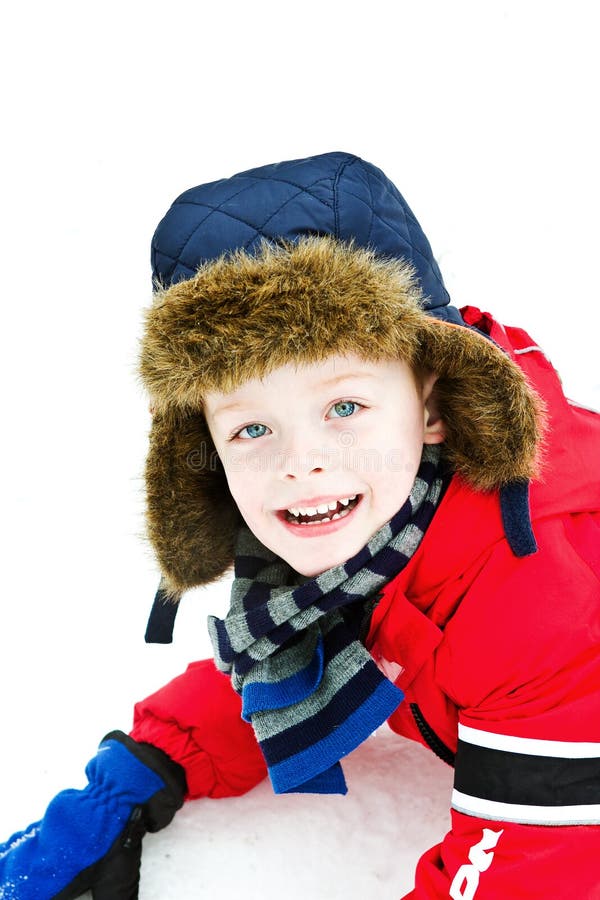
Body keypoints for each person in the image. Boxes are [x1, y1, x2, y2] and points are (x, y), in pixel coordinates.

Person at [1, 151, 599, 899]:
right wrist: (144, 768)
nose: (300, 462)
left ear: (435, 407)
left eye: (343, 408)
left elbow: (544, 862)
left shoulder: (537, 597)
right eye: (252, 428)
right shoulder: (375, 527)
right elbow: (294, 646)